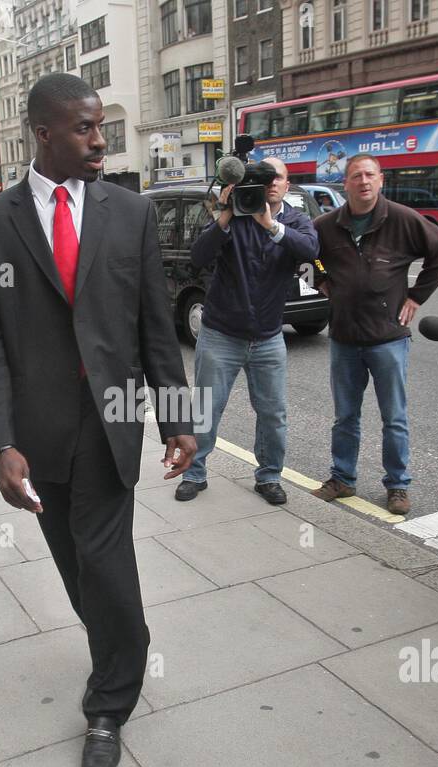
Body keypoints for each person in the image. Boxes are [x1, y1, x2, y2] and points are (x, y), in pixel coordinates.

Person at [0, 73, 196, 767]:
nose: (101, 140)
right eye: (86, 129)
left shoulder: (131, 214)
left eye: (101, 127)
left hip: (111, 422)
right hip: (36, 436)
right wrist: (0, 443)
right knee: (74, 565)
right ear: (43, 133)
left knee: (106, 564)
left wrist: (178, 418)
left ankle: (108, 703)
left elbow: (156, 325)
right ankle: (119, 646)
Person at [310, 153, 438, 516]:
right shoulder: (326, 225)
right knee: (345, 416)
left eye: (369, 175)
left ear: (381, 180)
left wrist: (417, 296)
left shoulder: (402, 219)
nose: (363, 181)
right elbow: (307, 256)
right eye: (356, 176)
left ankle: (397, 486)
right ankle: (342, 478)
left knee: (394, 417)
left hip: (388, 338)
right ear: (345, 184)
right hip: (344, 338)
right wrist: (322, 281)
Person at [174, 155, 319, 506]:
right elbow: (198, 256)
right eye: (263, 177)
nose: (270, 183)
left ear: (287, 184)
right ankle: (195, 473)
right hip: (221, 333)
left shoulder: (296, 220)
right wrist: (225, 213)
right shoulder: (231, 217)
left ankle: (269, 476)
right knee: (207, 407)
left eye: (278, 177)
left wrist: (271, 226)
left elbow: (311, 251)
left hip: (268, 337)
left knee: (273, 412)